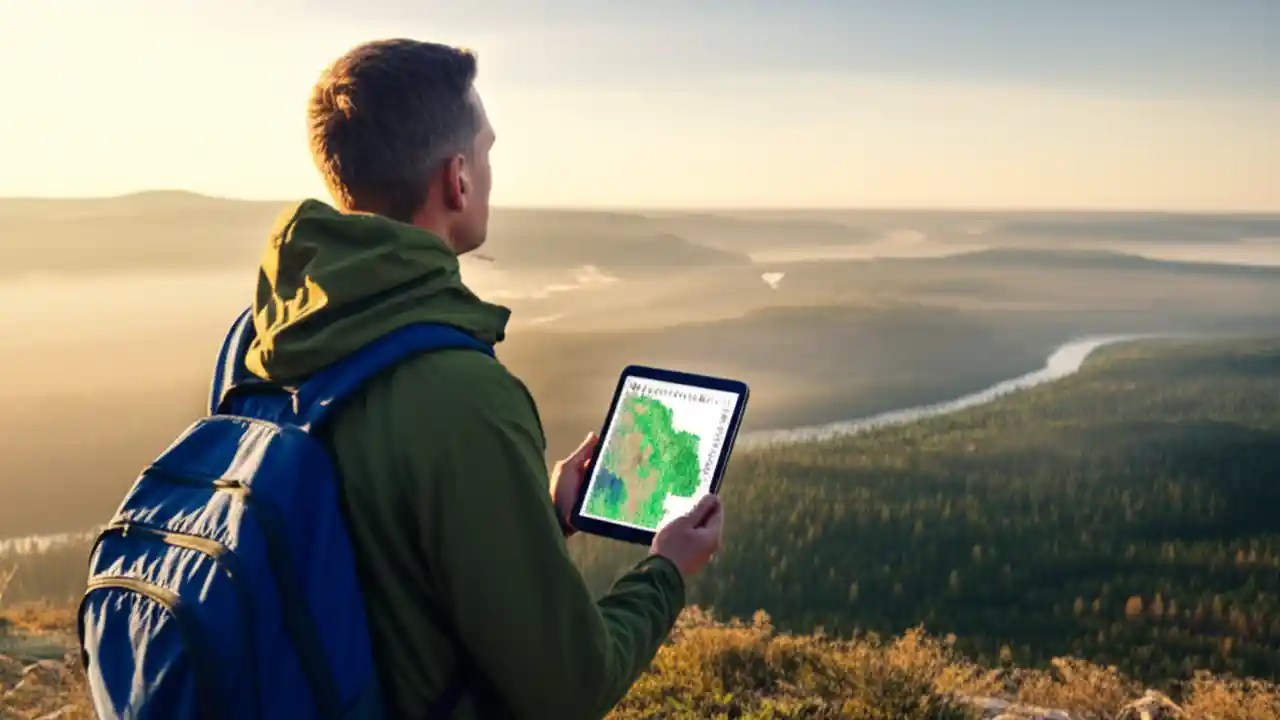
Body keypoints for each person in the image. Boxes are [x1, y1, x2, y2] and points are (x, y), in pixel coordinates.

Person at [241, 38, 725, 719]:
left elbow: (372, 563)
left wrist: (539, 516)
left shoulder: (269, 340)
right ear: (458, 179)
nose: (491, 172)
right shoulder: (464, 397)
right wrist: (668, 567)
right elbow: (570, 687)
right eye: (487, 151)